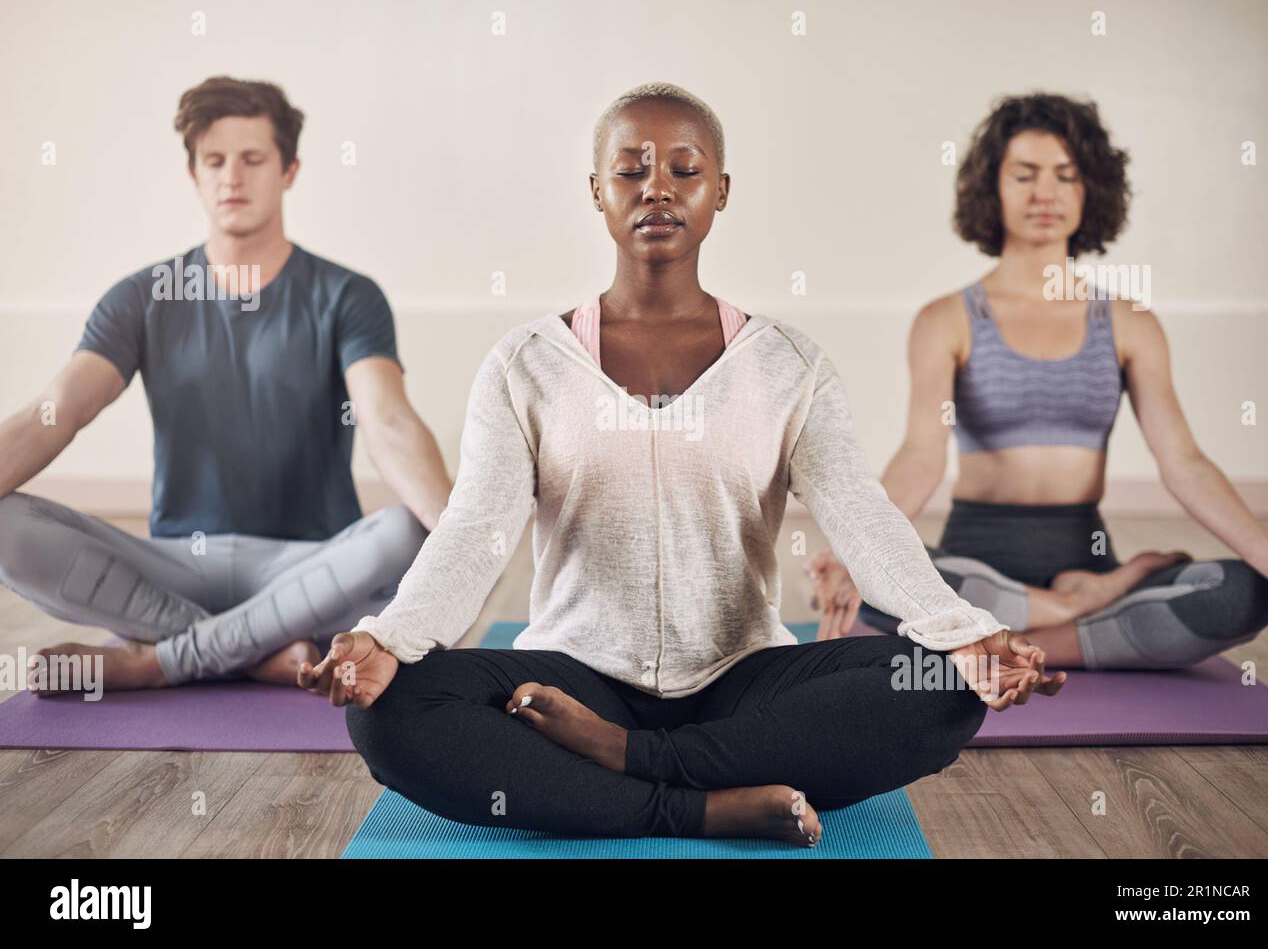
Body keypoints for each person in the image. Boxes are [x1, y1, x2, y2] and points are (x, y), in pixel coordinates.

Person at [300, 82, 1063, 845]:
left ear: (720, 191)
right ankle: (703, 805)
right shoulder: (524, 364)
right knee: (388, 710)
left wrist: (962, 633)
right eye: (630, 170)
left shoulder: (788, 364)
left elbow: (861, 516)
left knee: (941, 686)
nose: (656, 187)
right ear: (596, 191)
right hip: (576, 676)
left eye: (684, 169)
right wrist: (390, 639)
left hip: (741, 681)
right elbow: (475, 530)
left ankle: (623, 763)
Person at [809, 92, 1268, 671]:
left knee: (1243, 593)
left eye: (1066, 176)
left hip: (1085, 556)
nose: (1046, 193)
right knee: (878, 583)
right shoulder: (946, 319)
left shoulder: (1129, 323)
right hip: (975, 562)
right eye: (1025, 175)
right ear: (993, 188)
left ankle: (1002, 640)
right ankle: (1087, 614)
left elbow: (1183, 463)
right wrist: (859, 553)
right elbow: (921, 457)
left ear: (1090, 191)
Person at [0, 76, 449, 693]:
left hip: (311, 570)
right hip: (176, 565)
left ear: (289, 171)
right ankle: (253, 653)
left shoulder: (348, 295)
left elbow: (388, 421)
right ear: (194, 174)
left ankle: (158, 661)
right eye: (214, 161)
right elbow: (58, 410)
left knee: (405, 531)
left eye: (252, 159)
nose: (232, 177)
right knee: (5, 521)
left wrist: (459, 537)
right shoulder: (141, 297)